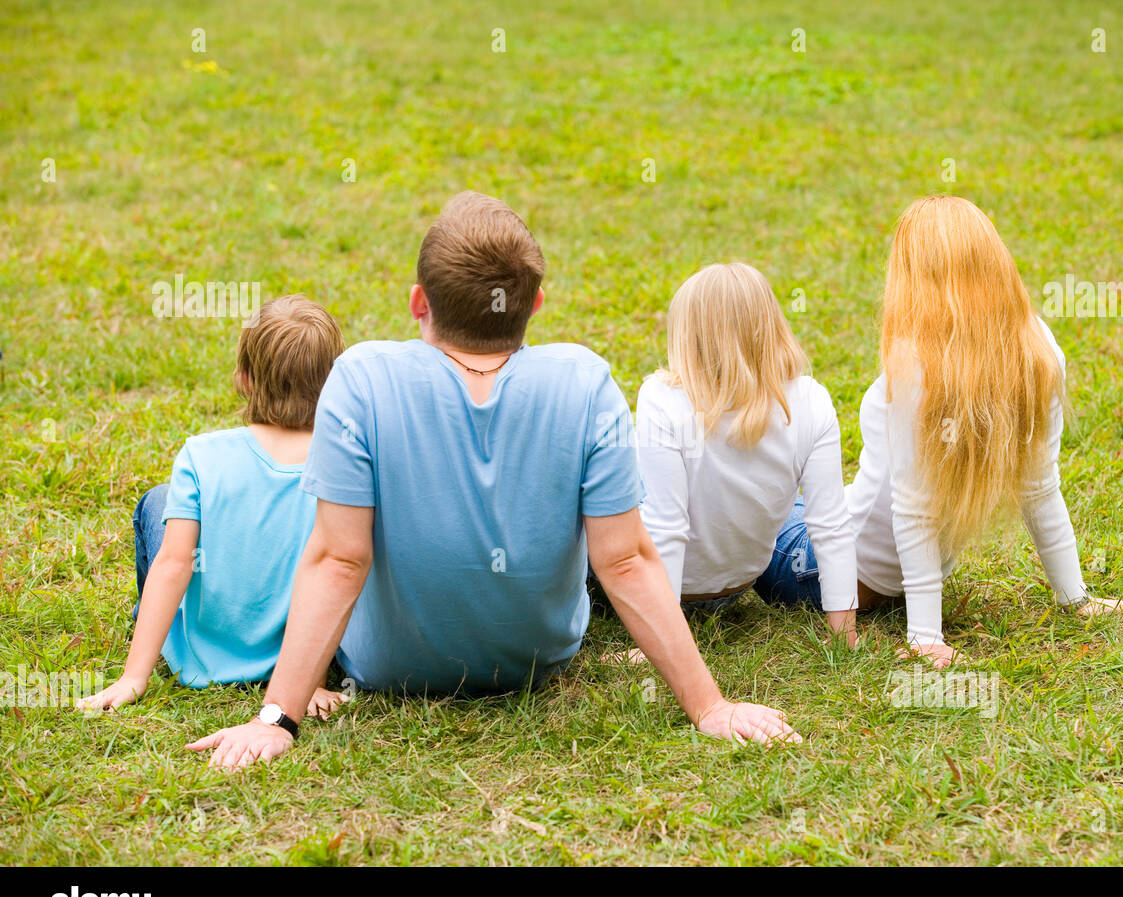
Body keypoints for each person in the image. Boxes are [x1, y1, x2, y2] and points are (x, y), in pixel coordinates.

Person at [187, 192, 800, 767]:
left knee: (169, 505)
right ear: (535, 304)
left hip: (386, 668)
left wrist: (277, 718)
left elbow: (337, 560)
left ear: (418, 302)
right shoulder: (586, 382)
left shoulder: (361, 379)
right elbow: (627, 561)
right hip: (538, 660)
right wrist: (710, 707)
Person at [761, 196, 1123, 667]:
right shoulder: (1038, 351)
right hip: (851, 553)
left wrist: (924, 636)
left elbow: (920, 513)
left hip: (823, 569)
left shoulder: (913, 370)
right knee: (796, 500)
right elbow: (1039, 490)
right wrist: (1075, 600)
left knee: (765, 504)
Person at [77, 295, 349, 712]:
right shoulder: (344, 463)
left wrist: (134, 678)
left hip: (198, 660)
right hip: (293, 662)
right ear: (334, 382)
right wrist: (309, 683)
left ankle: (150, 619)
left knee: (157, 501)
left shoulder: (202, 455)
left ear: (243, 378)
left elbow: (173, 563)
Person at [634, 262, 857, 641]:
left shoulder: (661, 399)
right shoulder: (809, 400)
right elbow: (831, 526)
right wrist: (846, 637)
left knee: (606, 477)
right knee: (795, 501)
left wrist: (659, 645)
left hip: (666, 587)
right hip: (739, 583)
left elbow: (665, 531)